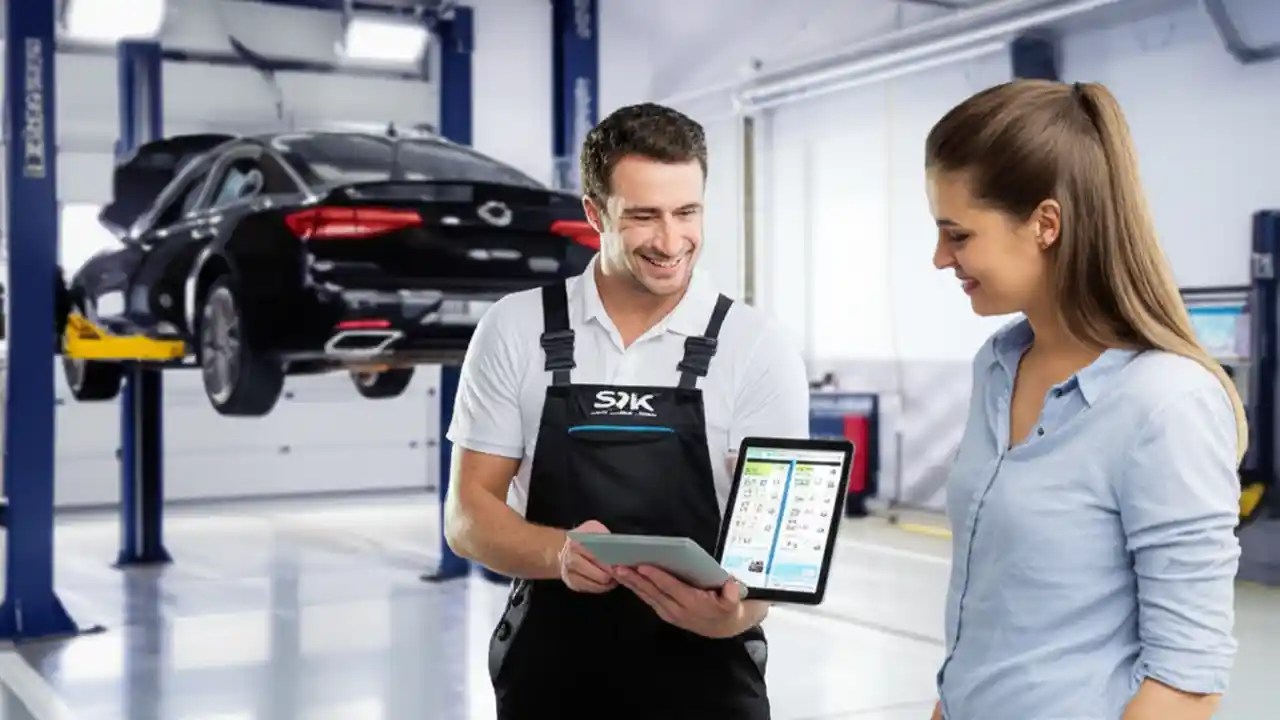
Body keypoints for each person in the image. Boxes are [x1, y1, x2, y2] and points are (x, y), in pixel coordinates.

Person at [442, 102, 810, 719]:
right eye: (643, 216)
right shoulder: (515, 329)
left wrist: (736, 614)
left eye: (686, 212)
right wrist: (560, 553)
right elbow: (468, 517)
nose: (671, 241)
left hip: (708, 678)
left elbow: (773, 548)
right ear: (594, 213)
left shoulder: (755, 347)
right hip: (549, 675)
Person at [924, 78, 1244, 720]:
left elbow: (1187, 680)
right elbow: (995, 624)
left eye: (958, 235)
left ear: (1045, 224)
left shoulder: (1166, 403)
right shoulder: (997, 366)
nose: (939, 258)